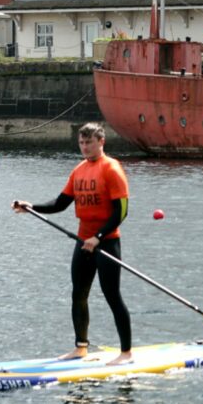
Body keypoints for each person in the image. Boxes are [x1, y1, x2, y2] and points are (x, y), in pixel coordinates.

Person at [13, 122, 133, 364]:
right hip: (82, 242)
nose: (85, 147)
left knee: (112, 296)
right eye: (82, 142)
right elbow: (60, 203)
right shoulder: (78, 170)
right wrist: (31, 207)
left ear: (101, 142)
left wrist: (97, 237)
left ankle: (126, 353)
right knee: (78, 294)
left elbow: (122, 211)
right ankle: (80, 348)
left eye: (89, 142)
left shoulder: (111, 169)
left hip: (107, 242)